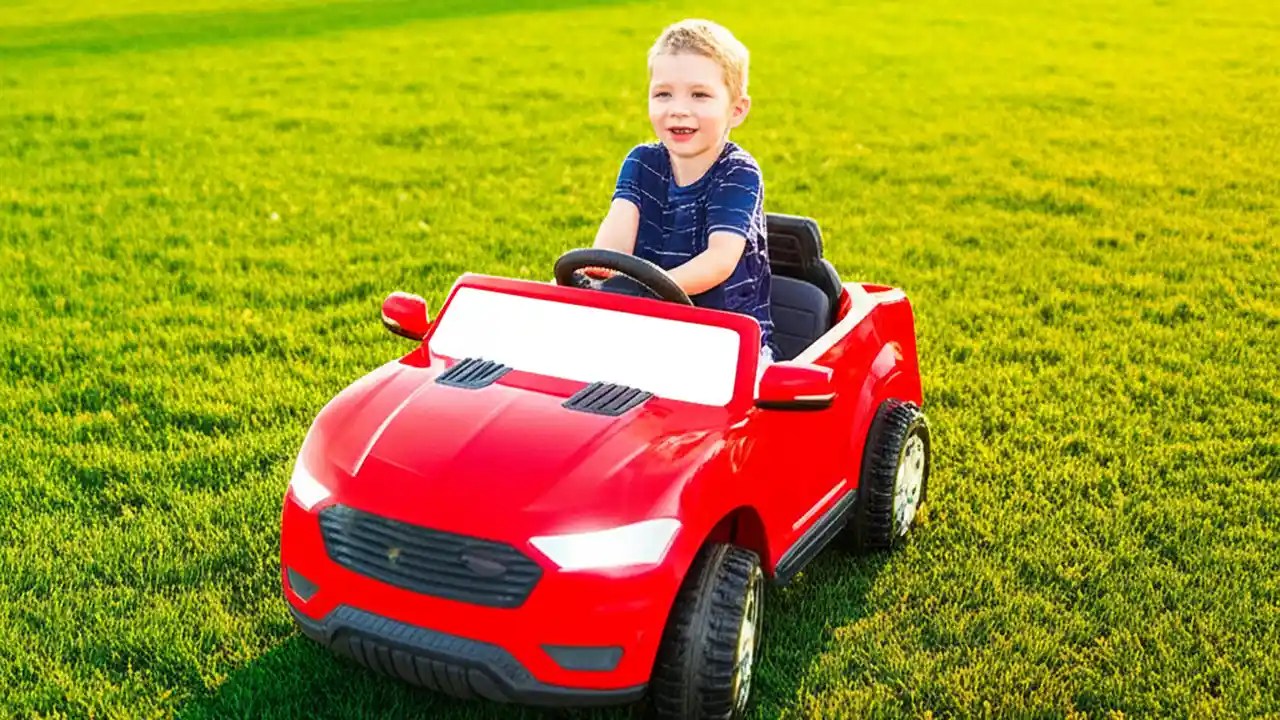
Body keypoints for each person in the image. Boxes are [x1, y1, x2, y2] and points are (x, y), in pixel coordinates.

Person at [591, 18, 777, 369]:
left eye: (699, 95)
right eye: (663, 93)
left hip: (729, 341)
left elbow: (720, 260)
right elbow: (612, 245)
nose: (678, 108)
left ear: (736, 109)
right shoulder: (642, 162)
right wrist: (595, 273)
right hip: (651, 327)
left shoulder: (738, 172)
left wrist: (650, 291)